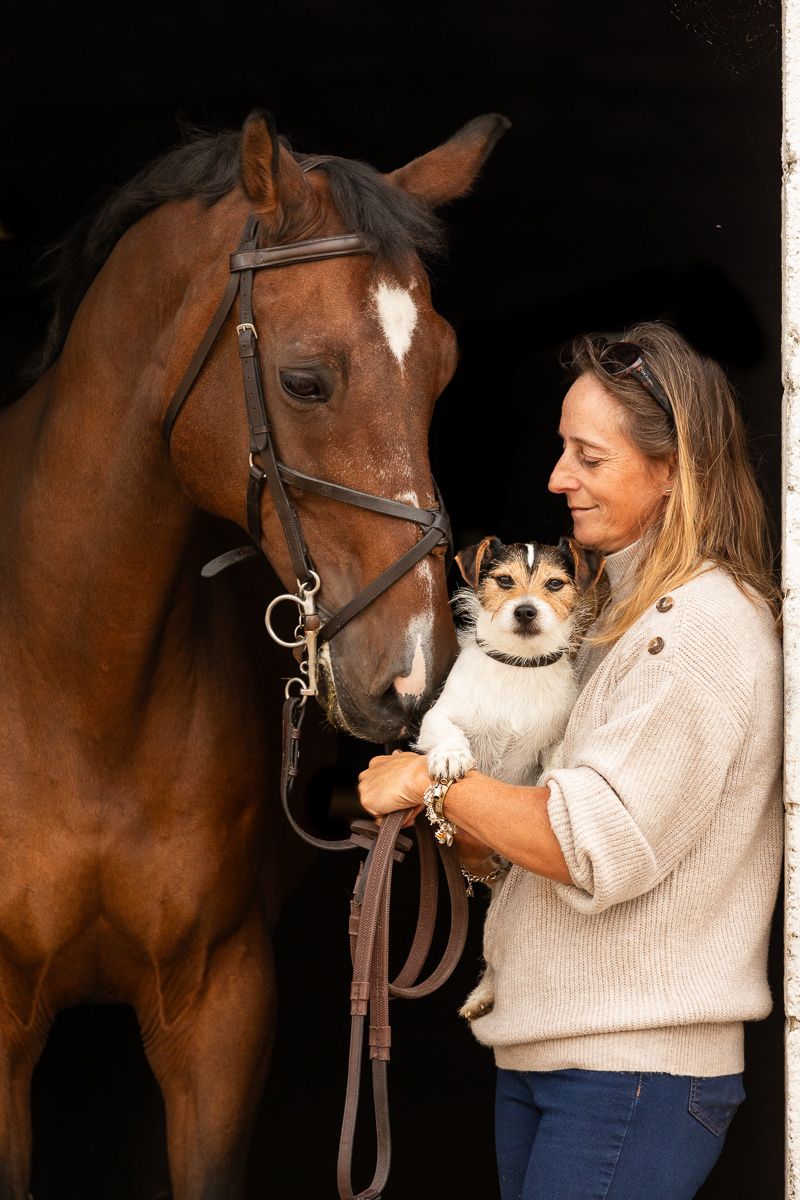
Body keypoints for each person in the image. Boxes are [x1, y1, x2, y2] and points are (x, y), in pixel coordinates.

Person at [357, 321, 783, 1200]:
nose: (557, 478)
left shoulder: (693, 628)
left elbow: (591, 843)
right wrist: (472, 827)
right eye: (562, 449)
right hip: (565, 1055)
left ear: (671, 471)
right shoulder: (608, 621)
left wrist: (431, 780)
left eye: (589, 456)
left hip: (630, 1075)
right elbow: (543, 822)